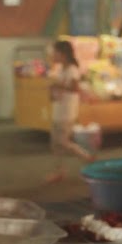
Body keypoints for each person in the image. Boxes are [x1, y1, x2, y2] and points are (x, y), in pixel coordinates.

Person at [44, 40, 93, 185]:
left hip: (66, 111)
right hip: (59, 109)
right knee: (56, 143)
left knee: (62, 142)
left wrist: (57, 85)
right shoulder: (62, 69)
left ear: (63, 54)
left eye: (55, 52)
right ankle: (59, 171)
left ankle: (86, 157)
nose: (53, 55)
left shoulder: (72, 69)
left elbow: (74, 88)